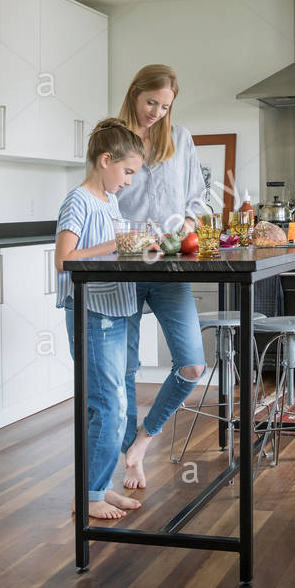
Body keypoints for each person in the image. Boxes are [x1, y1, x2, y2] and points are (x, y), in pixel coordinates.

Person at [114, 64, 209, 489]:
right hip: (125, 268)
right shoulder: (113, 139)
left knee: (191, 364)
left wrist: (187, 223)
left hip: (169, 268)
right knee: (124, 369)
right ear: (135, 93)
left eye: (164, 106)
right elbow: (101, 197)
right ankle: (127, 456)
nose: (156, 112)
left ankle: (144, 437)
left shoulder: (180, 139)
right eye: (150, 102)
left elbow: (199, 199)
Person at [54, 118, 147, 521]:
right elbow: (64, 259)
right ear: (106, 160)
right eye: (127, 172)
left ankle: (98, 486)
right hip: (93, 313)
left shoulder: (109, 201)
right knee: (109, 406)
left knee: (114, 405)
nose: (129, 181)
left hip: (115, 309)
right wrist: (116, 244)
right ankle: (89, 496)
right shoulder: (79, 201)